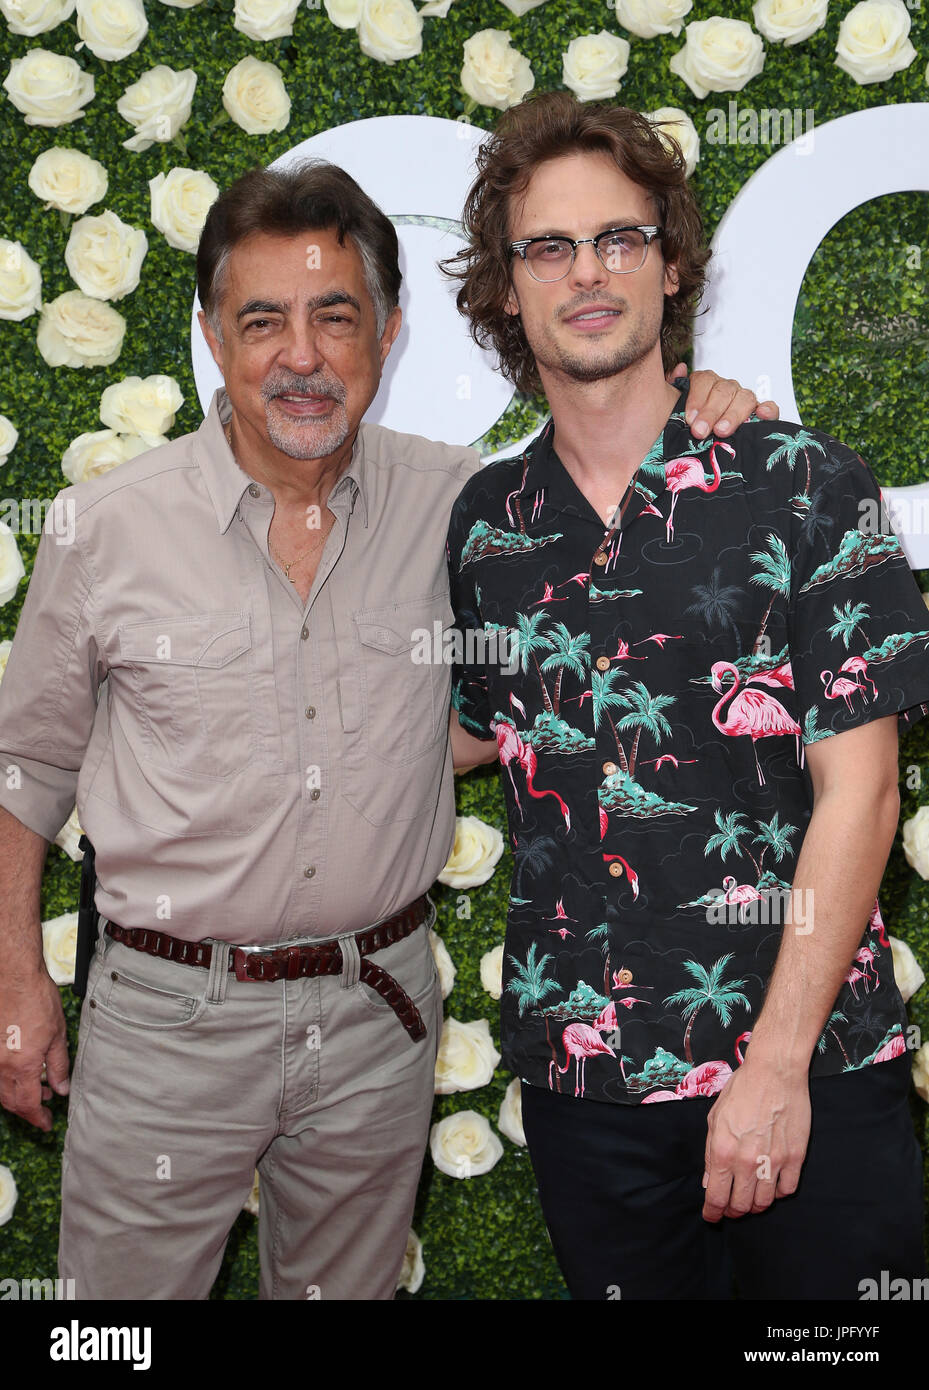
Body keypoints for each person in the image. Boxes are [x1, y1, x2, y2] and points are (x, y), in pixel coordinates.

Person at [0, 156, 765, 1300]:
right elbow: (29, 765)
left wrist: (715, 409)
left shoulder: (476, 510)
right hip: (164, 1022)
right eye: (261, 320)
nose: (298, 356)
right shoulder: (105, 526)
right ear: (213, 335)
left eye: (333, 317)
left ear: (390, 333)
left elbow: (616, 526)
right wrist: (14, 977)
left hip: (377, 1014)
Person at [444, 91, 929, 1301]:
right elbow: (466, 732)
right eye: (547, 246)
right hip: (586, 1089)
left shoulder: (802, 483)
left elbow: (860, 793)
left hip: (809, 1069)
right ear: (506, 289)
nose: (587, 272)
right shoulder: (485, 528)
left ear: (670, 265)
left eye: (619, 237)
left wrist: (770, 1072)